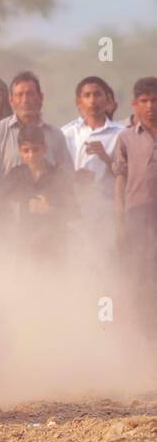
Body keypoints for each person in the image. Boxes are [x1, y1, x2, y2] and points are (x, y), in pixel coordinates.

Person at [0, 71, 71, 229]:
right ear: (11, 100)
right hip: (7, 224)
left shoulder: (55, 135)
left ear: (40, 98)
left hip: (49, 226)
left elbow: (67, 179)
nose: (25, 100)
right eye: (19, 95)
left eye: (30, 94)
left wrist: (58, 213)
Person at [0, 126, 77, 260]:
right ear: (20, 151)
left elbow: (73, 212)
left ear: (44, 148)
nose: (31, 155)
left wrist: (49, 210)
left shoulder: (58, 176)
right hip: (24, 246)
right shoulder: (16, 175)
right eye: (26, 151)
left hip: (53, 247)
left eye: (35, 149)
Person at [113, 77, 157, 302]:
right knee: (138, 274)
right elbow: (120, 180)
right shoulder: (125, 137)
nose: (150, 106)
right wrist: (119, 222)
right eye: (145, 101)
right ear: (135, 105)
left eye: (155, 100)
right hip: (136, 213)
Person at [61, 76, 126, 229]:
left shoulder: (121, 134)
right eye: (87, 95)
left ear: (108, 100)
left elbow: (127, 174)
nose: (92, 101)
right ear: (78, 102)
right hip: (74, 210)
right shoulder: (67, 133)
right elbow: (57, 172)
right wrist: (73, 176)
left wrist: (105, 157)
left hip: (107, 211)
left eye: (97, 94)